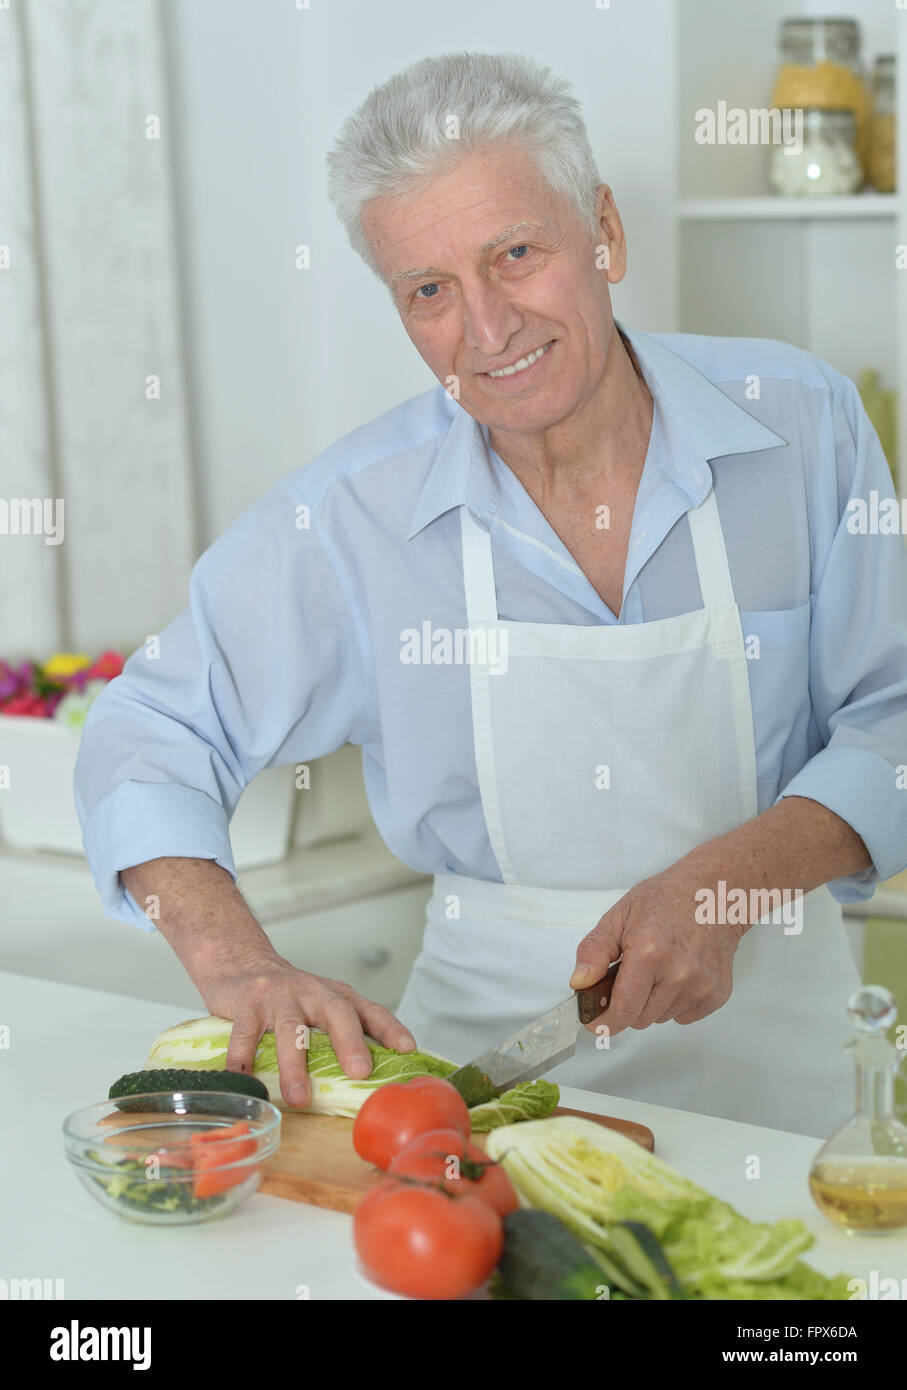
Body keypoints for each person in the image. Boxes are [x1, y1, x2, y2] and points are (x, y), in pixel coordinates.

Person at [75, 53, 907, 1136]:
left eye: (515, 254)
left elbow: (892, 717)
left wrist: (727, 885)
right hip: (476, 1099)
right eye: (429, 291)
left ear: (602, 231)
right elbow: (146, 727)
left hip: (782, 1080)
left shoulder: (802, 423)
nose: (486, 329)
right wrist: (237, 966)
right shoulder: (350, 517)